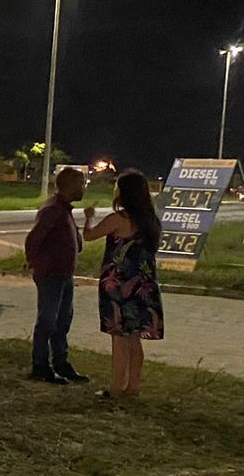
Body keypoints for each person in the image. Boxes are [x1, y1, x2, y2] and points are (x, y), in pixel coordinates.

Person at [83, 169, 165, 400]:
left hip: (118, 284)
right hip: (144, 284)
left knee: (118, 337)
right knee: (134, 338)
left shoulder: (118, 219)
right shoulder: (151, 222)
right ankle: (133, 386)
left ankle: (116, 388)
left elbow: (89, 236)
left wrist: (89, 216)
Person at [23, 166, 88, 384]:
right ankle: (41, 366)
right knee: (48, 321)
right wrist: (33, 262)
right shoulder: (52, 210)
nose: (84, 188)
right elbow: (34, 238)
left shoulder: (64, 209)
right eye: (81, 184)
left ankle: (61, 363)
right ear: (69, 185)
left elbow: (75, 244)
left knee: (62, 322)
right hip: (51, 274)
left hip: (64, 275)